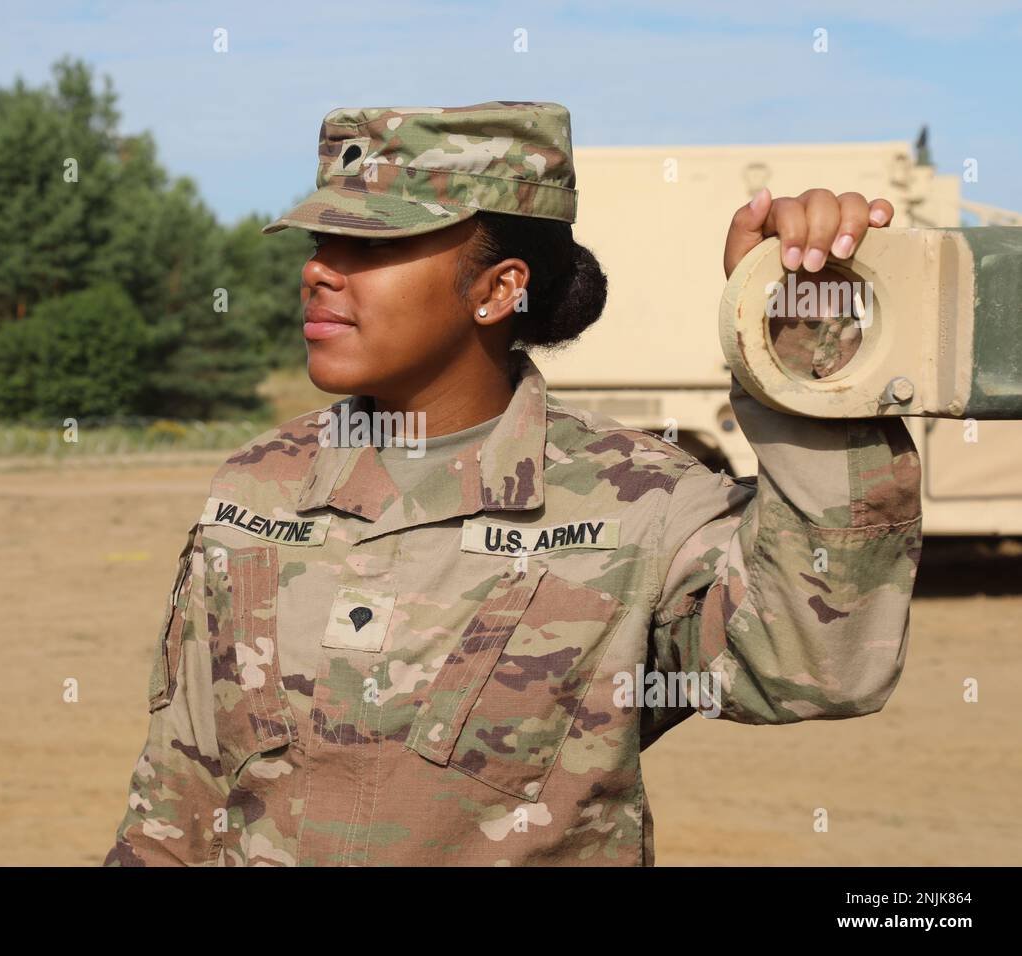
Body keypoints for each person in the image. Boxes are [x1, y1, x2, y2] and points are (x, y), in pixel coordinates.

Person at [103, 101, 921, 867]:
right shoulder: (258, 489)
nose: (320, 271)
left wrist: (812, 353)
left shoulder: (638, 504)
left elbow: (818, 666)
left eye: (374, 246)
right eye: (321, 242)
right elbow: (181, 790)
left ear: (499, 290)